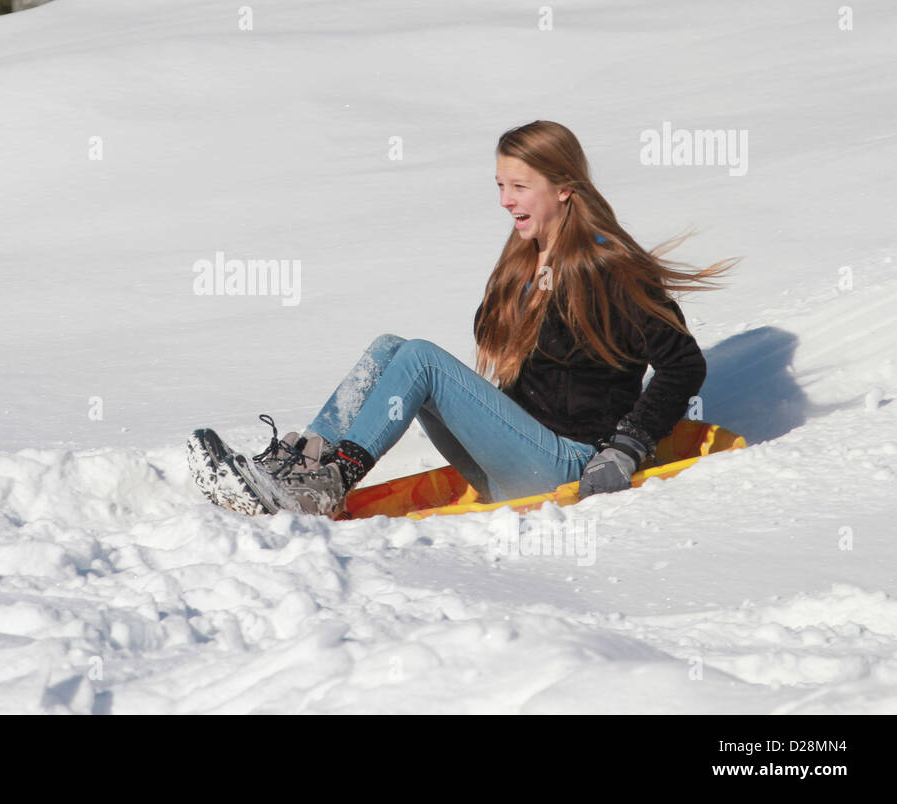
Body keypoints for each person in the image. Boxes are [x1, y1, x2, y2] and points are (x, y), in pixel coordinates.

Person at [218, 120, 740, 517]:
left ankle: (329, 484)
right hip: (517, 457)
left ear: (563, 187)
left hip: (567, 463)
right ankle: (302, 463)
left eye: (518, 186)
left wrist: (627, 447)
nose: (505, 201)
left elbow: (682, 365)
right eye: (499, 186)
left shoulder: (610, 266)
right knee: (389, 348)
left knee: (421, 358)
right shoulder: (526, 258)